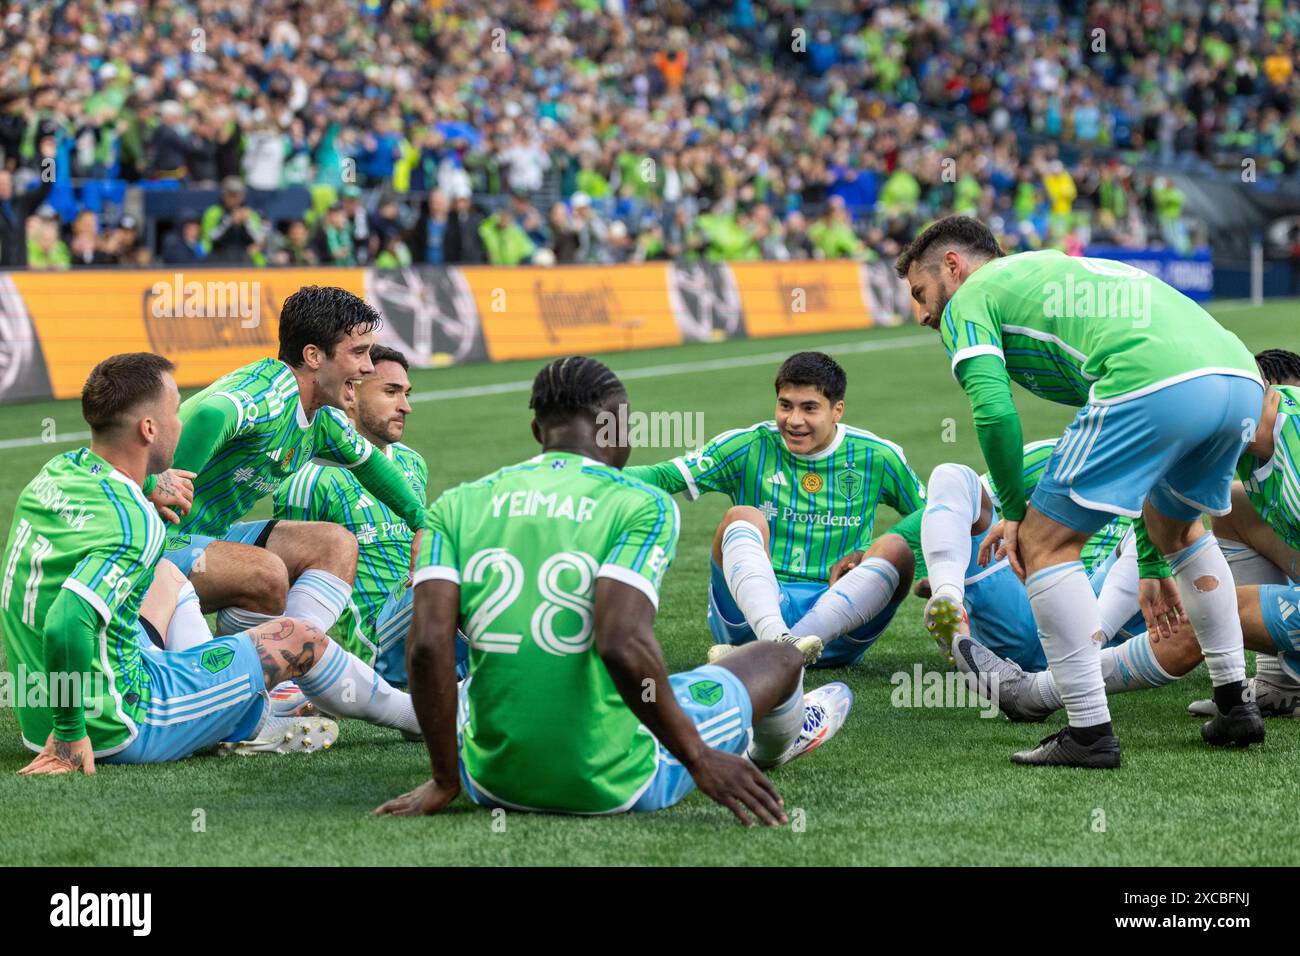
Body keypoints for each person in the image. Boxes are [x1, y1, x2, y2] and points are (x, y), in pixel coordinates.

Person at [374, 356, 852, 823]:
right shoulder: (639, 504)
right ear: (618, 427)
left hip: (490, 781)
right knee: (778, 657)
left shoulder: (457, 504)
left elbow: (428, 645)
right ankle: (783, 740)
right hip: (612, 782)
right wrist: (697, 759)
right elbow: (621, 643)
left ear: (539, 432)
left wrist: (444, 778)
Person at [896, 214, 1266, 767]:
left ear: (954, 265)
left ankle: (1089, 733)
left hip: (1154, 379)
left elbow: (994, 413)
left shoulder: (973, 298)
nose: (923, 314)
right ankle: (1236, 704)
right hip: (1239, 377)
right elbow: (1149, 473)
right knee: (1181, 530)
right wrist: (1150, 561)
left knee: (1045, 544)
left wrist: (1017, 511)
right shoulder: (1048, 270)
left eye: (922, 294)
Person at [4, 354, 420, 774]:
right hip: (122, 722)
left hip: (39, 717)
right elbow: (65, 621)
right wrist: (71, 735)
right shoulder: (136, 524)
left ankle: (239, 708)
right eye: (173, 412)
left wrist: (149, 482)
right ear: (148, 429)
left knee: (167, 575)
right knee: (295, 637)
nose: (181, 423)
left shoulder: (56, 475)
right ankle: (416, 716)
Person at [158, 287, 427, 657]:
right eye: (359, 353)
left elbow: (373, 466)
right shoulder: (271, 392)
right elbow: (212, 414)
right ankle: (253, 668)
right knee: (267, 572)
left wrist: (422, 523)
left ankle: (290, 666)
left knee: (335, 543)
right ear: (314, 356)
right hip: (150, 544)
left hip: (200, 540)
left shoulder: (322, 418)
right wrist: (171, 476)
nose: (368, 368)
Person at [625, 352, 924, 668]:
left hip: (838, 627)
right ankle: (779, 642)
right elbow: (663, 476)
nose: (794, 420)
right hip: (748, 622)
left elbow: (933, 516)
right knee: (742, 517)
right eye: (785, 405)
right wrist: (587, 471)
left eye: (809, 408)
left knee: (895, 548)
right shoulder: (749, 445)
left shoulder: (877, 456)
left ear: (837, 410)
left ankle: (772, 653)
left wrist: (866, 552)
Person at [273, 346, 463, 686]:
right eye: (391, 392)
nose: (406, 406)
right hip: (368, 647)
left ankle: (447, 689)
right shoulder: (309, 478)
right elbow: (285, 590)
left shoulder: (410, 462)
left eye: (406, 393)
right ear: (351, 390)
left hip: (417, 616)